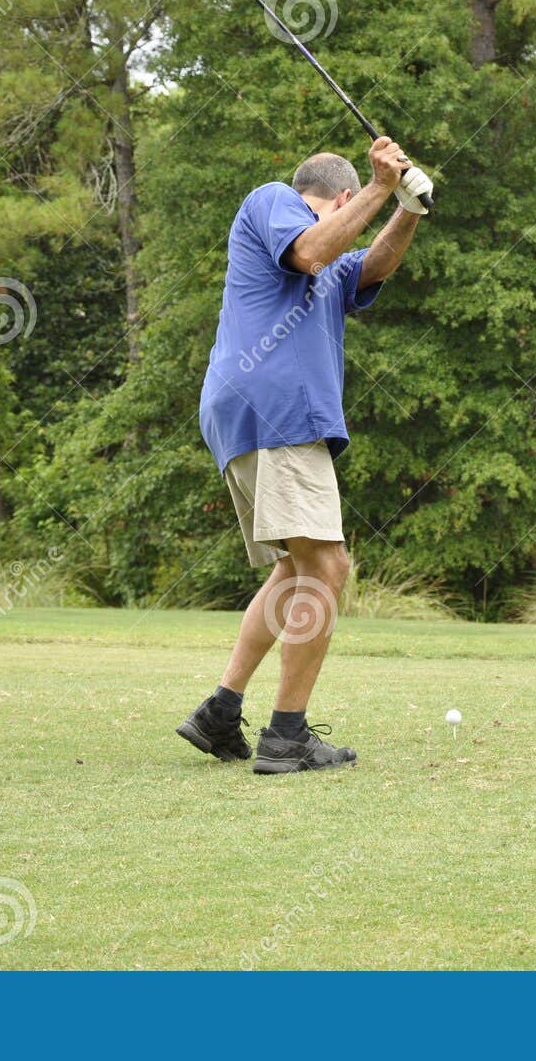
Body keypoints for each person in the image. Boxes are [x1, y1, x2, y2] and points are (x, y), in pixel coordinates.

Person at [177, 136, 423, 774]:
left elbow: (369, 267)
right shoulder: (273, 202)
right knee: (329, 567)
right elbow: (314, 248)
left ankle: (220, 712)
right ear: (342, 196)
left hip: (251, 415)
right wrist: (379, 189)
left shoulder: (337, 263)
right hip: (276, 412)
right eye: (356, 201)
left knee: (294, 569)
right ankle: (287, 736)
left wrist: (410, 209)